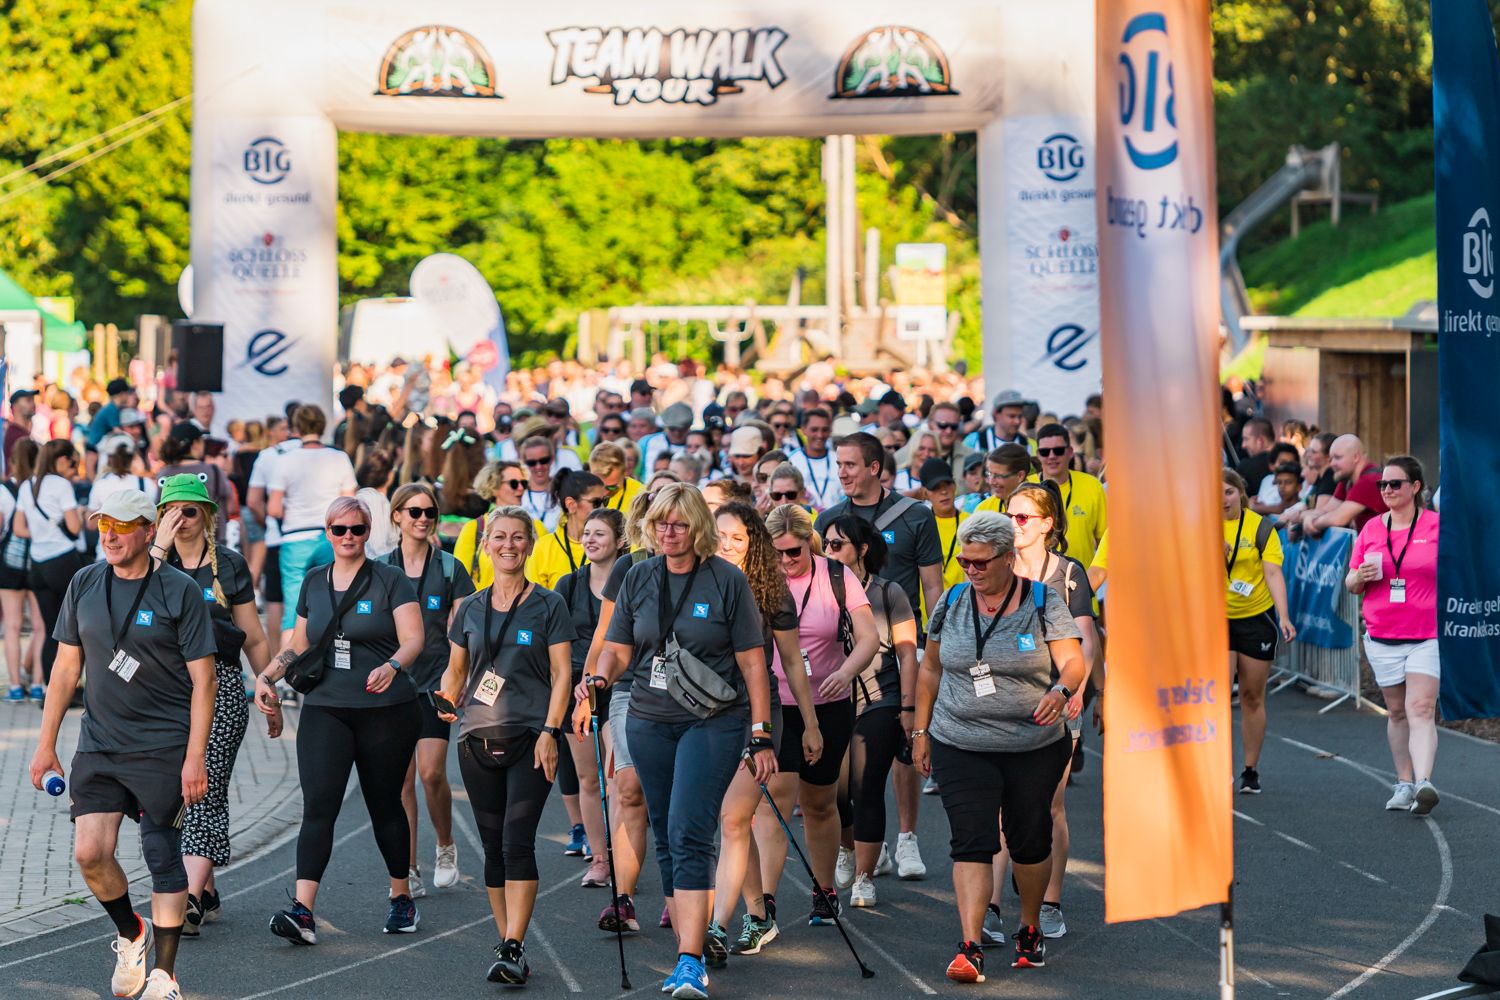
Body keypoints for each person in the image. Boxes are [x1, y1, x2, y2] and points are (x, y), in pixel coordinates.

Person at [29, 489, 217, 1000]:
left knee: (160, 854)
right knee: (90, 853)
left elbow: (206, 682)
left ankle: (165, 974)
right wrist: (46, 744)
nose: (109, 535)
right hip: (101, 742)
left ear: (148, 531)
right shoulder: (84, 582)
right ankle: (131, 933)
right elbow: (66, 667)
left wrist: (195, 756)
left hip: (163, 746)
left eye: (121, 524)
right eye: (101, 525)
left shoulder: (178, 591)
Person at [594, 484, 776, 998]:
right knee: (666, 833)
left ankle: (690, 959)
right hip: (649, 720)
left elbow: (752, 664)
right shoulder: (639, 575)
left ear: (696, 526)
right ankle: (687, 943)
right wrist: (600, 678)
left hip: (713, 721)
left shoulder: (727, 579)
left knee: (689, 828)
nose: (667, 533)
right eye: (659, 524)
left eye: (676, 524)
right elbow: (617, 648)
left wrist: (761, 733)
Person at [909, 512, 1087, 983]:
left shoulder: (1044, 601)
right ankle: (970, 946)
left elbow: (1073, 661)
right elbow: (930, 670)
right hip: (960, 740)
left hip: (1033, 743)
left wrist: (1061, 693)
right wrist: (921, 731)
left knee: (1029, 841)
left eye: (981, 562)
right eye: (965, 561)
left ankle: (1029, 927)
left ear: (1009, 558)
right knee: (971, 839)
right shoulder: (950, 601)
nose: (971, 570)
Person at [255, 496, 426, 944]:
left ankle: (400, 896)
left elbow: (414, 639)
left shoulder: (390, 580)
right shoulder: (314, 581)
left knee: (384, 803)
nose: (348, 537)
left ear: (368, 533)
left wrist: (392, 665)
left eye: (356, 529)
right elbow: (299, 641)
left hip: (386, 711)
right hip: (327, 708)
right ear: (327, 533)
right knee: (319, 807)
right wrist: (267, 675)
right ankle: (303, 911)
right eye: (339, 529)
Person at [436, 506, 573, 985]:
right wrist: (444, 699)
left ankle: (514, 942)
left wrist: (552, 732)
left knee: (518, 843)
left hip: (530, 738)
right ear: (485, 545)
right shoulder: (470, 607)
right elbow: (456, 671)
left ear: (530, 545)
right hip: (476, 738)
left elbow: (562, 674)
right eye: (499, 537)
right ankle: (508, 944)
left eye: (518, 537)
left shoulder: (549, 604)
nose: (508, 545)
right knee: (493, 848)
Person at [149, 475, 279, 937]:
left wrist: (269, 688)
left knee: (202, 787)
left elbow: (255, 636)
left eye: (191, 510)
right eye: (171, 510)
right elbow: (127, 610)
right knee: (167, 794)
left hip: (220, 685)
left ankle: (187, 898)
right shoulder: (149, 564)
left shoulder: (228, 563)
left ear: (207, 515)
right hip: (163, 692)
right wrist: (157, 550)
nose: (181, 520)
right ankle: (205, 886)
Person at [707, 501, 821, 962]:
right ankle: (757, 913)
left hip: (756, 714)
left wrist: (810, 724)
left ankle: (715, 926)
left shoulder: (772, 591)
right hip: (703, 716)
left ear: (753, 543)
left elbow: (792, 661)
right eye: (720, 536)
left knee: (735, 819)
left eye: (738, 538)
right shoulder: (692, 579)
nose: (728, 545)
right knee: (728, 822)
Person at [756, 504, 879, 927]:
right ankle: (765, 903)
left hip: (828, 702)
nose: (787, 561)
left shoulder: (835, 576)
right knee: (775, 799)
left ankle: (824, 889)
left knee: (820, 802)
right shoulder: (755, 581)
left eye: (794, 552)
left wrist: (846, 672)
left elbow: (868, 637)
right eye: (778, 553)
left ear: (809, 543)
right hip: (773, 705)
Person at [1005, 482, 1102, 941]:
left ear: (1047, 523)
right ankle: (989, 904)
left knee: (1050, 804)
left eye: (1023, 517)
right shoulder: (994, 565)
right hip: (1002, 702)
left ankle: (1050, 900)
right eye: (1010, 515)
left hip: (1059, 701)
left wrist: (1078, 689)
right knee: (1002, 807)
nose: (1014, 524)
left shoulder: (1067, 573)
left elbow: (1087, 637)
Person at [821, 514, 925, 904]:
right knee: (835, 789)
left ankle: (865, 876)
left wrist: (909, 709)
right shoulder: (817, 589)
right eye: (826, 544)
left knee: (866, 786)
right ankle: (847, 847)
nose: (829, 551)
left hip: (879, 699)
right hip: (829, 699)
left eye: (838, 544)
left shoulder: (888, 593)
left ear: (862, 549)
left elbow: (908, 655)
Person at [385, 483, 476, 898]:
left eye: (429, 513)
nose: (423, 519)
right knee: (400, 782)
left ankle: (445, 845)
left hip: (437, 682)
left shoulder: (451, 568)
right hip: (393, 686)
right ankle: (408, 866)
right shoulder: (383, 568)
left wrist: (457, 682)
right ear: (397, 517)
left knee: (431, 772)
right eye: (414, 512)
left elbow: (464, 630)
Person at [1346, 456, 1441, 814]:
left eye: (1394, 484)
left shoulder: (1436, 526)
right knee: (1397, 711)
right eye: (1382, 485)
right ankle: (1403, 783)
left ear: (1415, 487)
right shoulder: (1371, 529)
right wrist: (1359, 578)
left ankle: (1424, 782)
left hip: (1425, 634)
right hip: (1382, 633)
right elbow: (1351, 581)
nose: (1386, 490)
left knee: (1421, 707)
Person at [555, 508, 629, 889]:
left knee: (618, 777)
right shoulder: (567, 585)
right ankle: (599, 859)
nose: (590, 539)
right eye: (586, 533)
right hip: (576, 688)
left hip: (620, 684)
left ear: (620, 540)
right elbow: (555, 644)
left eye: (599, 533)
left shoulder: (632, 578)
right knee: (588, 777)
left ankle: (622, 858)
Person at [817, 432, 943, 642]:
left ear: (874, 468)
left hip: (902, 643)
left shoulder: (916, 515)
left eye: (850, 465)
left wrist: (936, 643)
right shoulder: (827, 521)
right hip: (844, 644)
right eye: (839, 465)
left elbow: (932, 585)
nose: (842, 473)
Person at [1222, 469, 1296, 794]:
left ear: (1241, 493)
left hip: (1255, 617)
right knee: (1218, 696)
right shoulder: (1200, 526)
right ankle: (1216, 765)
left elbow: (1273, 572)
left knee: (1252, 695)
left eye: (1227, 492)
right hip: (1216, 619)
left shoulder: (1260, 527)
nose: (1222, 500)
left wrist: (1283, 615)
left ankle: (1250, 769)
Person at [267, 405, 357, 638]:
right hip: (332, 538)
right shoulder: (339, 458)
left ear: (296, 427)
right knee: (333, 603)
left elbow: (273, 508)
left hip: (295, 539)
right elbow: (350, 504)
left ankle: (287, 672)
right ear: (323, 425)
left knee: (293, 613)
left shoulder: (284, 460)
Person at [14, 440, 87, 685]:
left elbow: (19, 528)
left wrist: (42, 531)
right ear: (63, 460)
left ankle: (49, 689)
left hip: (38, 565)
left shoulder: (27, 486)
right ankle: (72, 687)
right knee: (74, 629)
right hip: (63, 561)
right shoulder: (61, 485)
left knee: (49, 630)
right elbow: (75, 529)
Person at [1028, 424, 1108, 567]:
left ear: (1070, 452)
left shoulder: (1092, 485)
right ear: (1038, 454)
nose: (1052, 456)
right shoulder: (1026, 488)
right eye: (1045, 452)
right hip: (1037, 584)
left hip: (1084, 583)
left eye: (1058, 451)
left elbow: (1105, 542)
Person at [1, 440, 44, 701]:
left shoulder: (5, 490)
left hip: (10, 564)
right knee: (41, 626)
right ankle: (38, 684)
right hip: (39, 560)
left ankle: (15, 686)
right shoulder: (43, 487)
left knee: (13, 626)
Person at [525, 470, 607, 590]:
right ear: (571, 505)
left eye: (605, 501)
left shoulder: (609, 544)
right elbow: (533, 601)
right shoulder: (544, 547)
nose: (603, 508)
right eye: (596, 502)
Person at [454, 460, 527, 590]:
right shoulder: (474, 528)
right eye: (514, 484)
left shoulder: (536, 528)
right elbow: (459, 581)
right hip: (483, 607)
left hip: (527, 607)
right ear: (493, 488)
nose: (521, 488)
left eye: (524, 483)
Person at [1305, 434, 1388, 536]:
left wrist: (1312, 523)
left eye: (1337, 458)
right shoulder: (1347, 480)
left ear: (1356, 457)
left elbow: (1338, 518)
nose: (1332, 464)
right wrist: (1306, 517)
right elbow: (1327, 510)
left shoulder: (1369, 480)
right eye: (1331, 459)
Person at [920, 458, 969, 599]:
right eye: (935, 487)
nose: (943, 492)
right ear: (924, 492)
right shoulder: (920, 524)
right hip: (928, 613)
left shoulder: (971, 522)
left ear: (954, 485)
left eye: (947, 484)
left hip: (963, 607)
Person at [788, 407, 844, 510]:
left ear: (830, 430)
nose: (820, 435)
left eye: (825, 430)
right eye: (814, 430)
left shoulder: (840, 459)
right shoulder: (791, 460)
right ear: (803, 429)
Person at [964, 390, 1033, 455]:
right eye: (1012, 416)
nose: (1017, 421)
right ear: (996, 414)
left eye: (1020, 416)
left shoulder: (1029, 445)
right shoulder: (973, 441)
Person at [974, 444, 1033, 516]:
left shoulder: (1039, 506)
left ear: (1020, 476)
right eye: (989, 473)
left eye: (998, 476)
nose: (991, 482)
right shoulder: (984, 510)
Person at [519, 436, 563, 530]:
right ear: (524, 462)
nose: (538, 467)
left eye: (544, 461)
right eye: (532, 463)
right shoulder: (518, 491)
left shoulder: (563, 488)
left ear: (552, 459)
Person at [589, 441, 644, 514]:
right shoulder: (580, 492)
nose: (605, 493)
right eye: (600, 485)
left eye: (612, 487)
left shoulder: (640, 493)